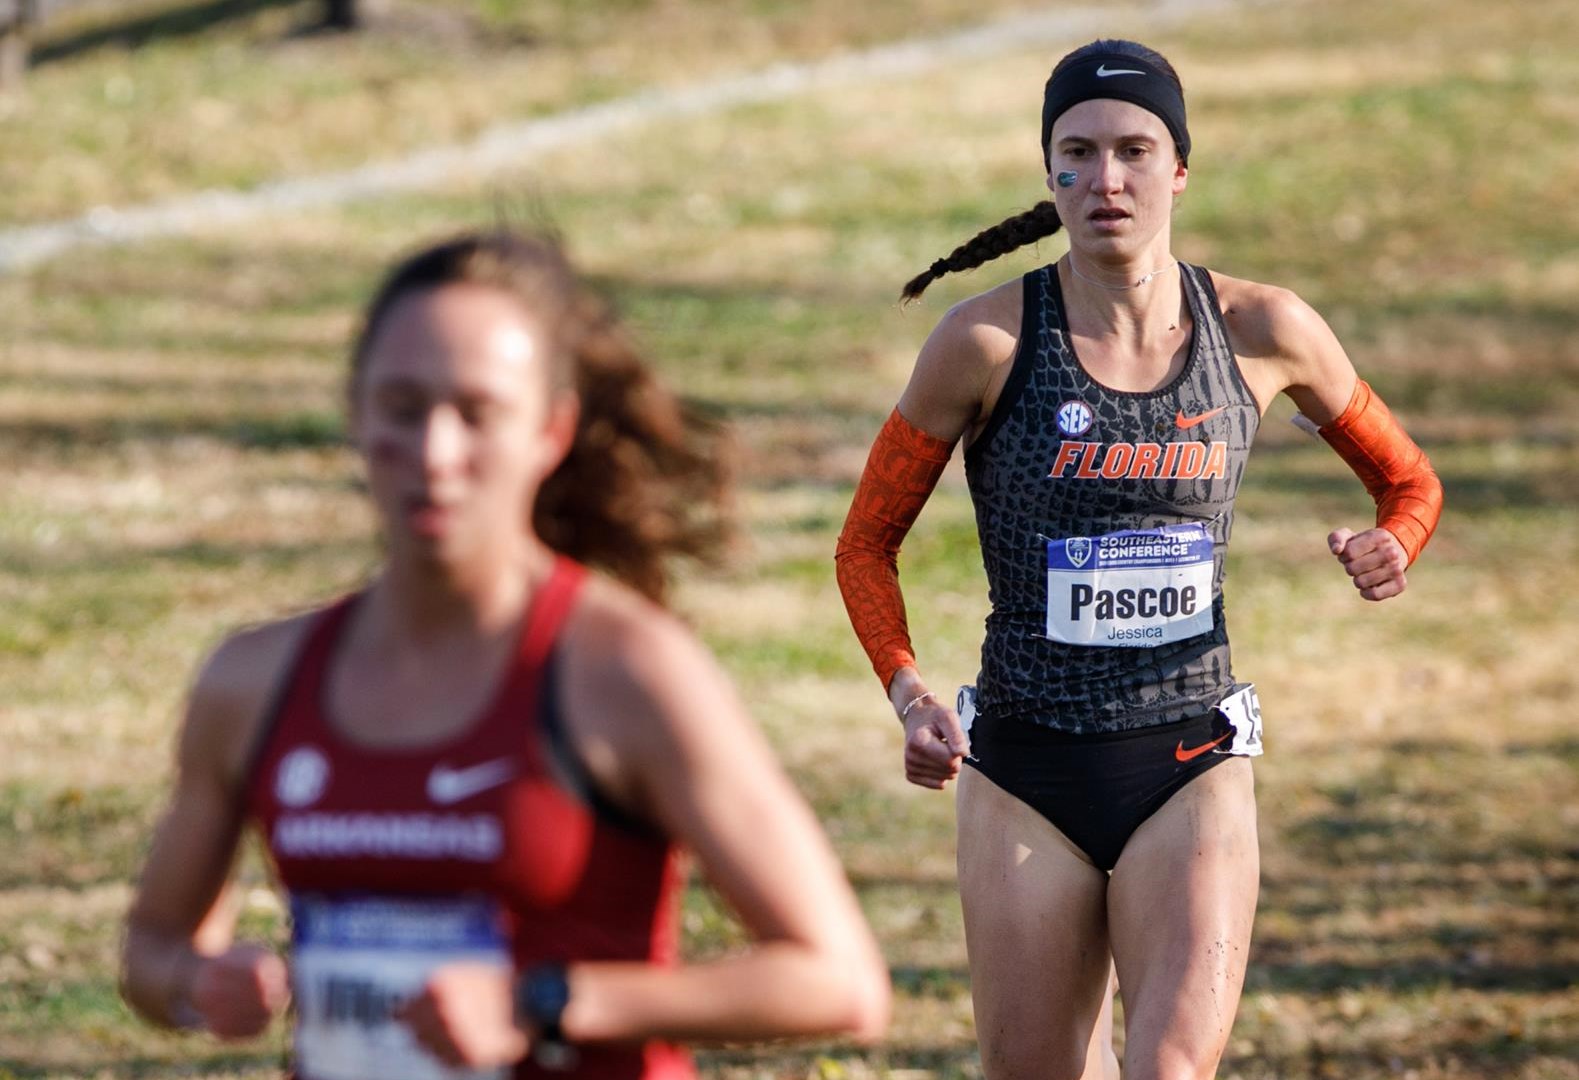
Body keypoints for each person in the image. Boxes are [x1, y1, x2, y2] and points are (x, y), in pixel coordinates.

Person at [121, 230, 890, 1079]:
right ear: (355, 412)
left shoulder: (623, 670)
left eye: (476, 413)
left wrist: (543, 1002)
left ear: (551, 430)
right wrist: (201, 983)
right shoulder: (253, 680)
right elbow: (153, 952)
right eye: (402, 408)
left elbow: (836, 980)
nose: (434, 455)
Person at [834, 39, 1443, 1080]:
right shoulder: (983, 344)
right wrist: (907, 696)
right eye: (1077, 153)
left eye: (1132, 150)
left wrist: (1393, 543)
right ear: (1048, 171)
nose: (1105, 179)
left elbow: (1411, 483)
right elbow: (864, 545)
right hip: (1022, 768)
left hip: (1187, 760)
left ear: (1179, 167)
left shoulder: (1261, 329)